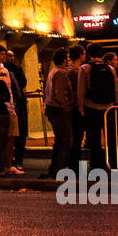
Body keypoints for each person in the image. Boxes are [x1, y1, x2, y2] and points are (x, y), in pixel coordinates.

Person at [78, 43, 116, 172]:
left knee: (94, 138)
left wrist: (81, 107)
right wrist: (114, 104)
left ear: (89, 53)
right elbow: (115, 89)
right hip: (108, 107)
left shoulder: (85, 68)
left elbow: (81, 90)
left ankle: (96, 164)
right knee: (110, 136)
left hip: (91, 107)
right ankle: (112, 162)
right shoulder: (110, 69)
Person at [43, 48, 75, 178]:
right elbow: (60, 93)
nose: (69, 60)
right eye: (67, 58)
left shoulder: (52, 72)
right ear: (63, 59)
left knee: (60, 140)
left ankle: (55, 168)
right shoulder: (61, 73)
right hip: (59, 110)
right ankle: (60, 169)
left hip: (53, 109)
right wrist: (66, 106)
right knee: (65, 141)